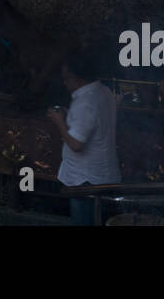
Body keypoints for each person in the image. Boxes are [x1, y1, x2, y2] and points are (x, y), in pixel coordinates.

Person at [48, 50, 120, 225]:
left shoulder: (85, 102)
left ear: (77, 77)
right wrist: (69, 115)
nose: (64, 83)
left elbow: (76, 144)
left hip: (85, 180)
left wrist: (59, 122)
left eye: (66, 78)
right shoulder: (104, 92)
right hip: (104, 174)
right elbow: (93, 124)